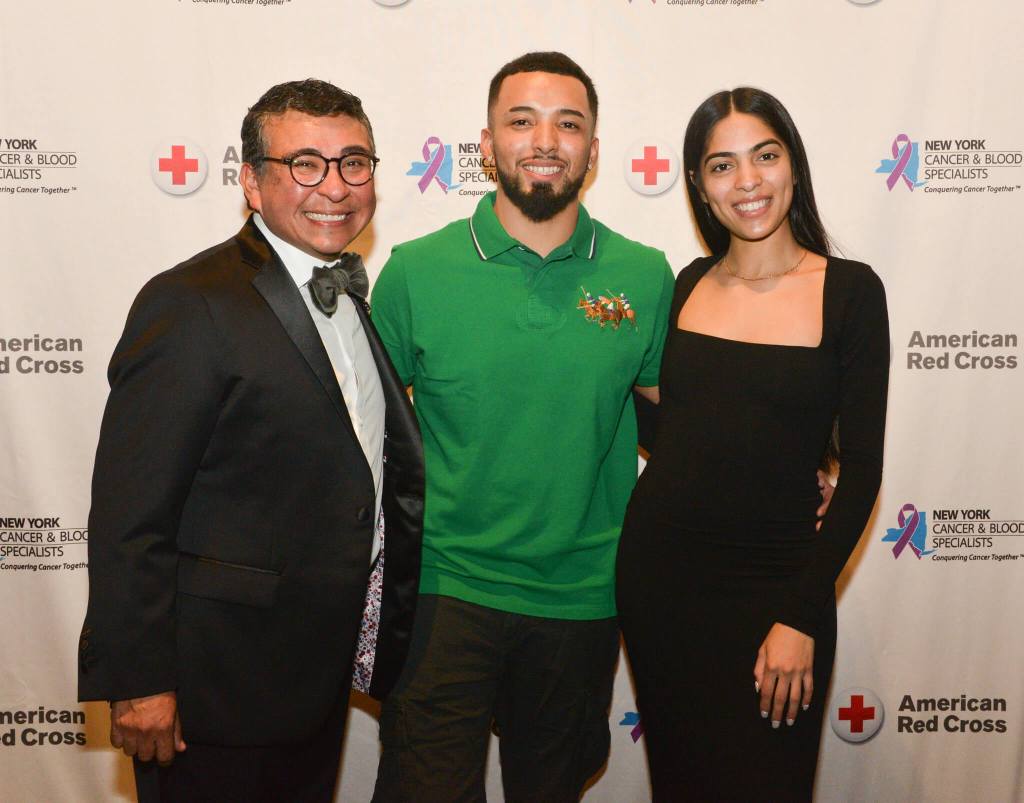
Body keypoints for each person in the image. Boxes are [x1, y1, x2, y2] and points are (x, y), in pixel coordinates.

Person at [77, 79, 424, 803]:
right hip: (213, 694)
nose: (334, 185)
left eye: (354, 162)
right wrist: (141, 680)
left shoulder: (351, 298)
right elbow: (130, 513)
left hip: (309, 681)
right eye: (305, 163)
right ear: (251, 182)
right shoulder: (191, 301)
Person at [368, 52, 675, 803]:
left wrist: (800, 470)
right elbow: (362, 434)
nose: (546, 140)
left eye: (569, 124)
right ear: (486, 144)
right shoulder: (415, 270)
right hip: (444, 590)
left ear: (594, 152)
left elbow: (684, 432)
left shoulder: (644, 274)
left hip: (581, 597)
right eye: (522, 120)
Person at [617, 87, 890, 802]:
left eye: (764, 156)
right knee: (680, 782)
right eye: (721, 166)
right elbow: (682, 430)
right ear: (700, 189)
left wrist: (801, 612)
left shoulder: (851, 293)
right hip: (662, 581)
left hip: (781, 582)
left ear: (793, 166)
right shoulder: (687, 284)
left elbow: (861, 471)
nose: (747, 182)